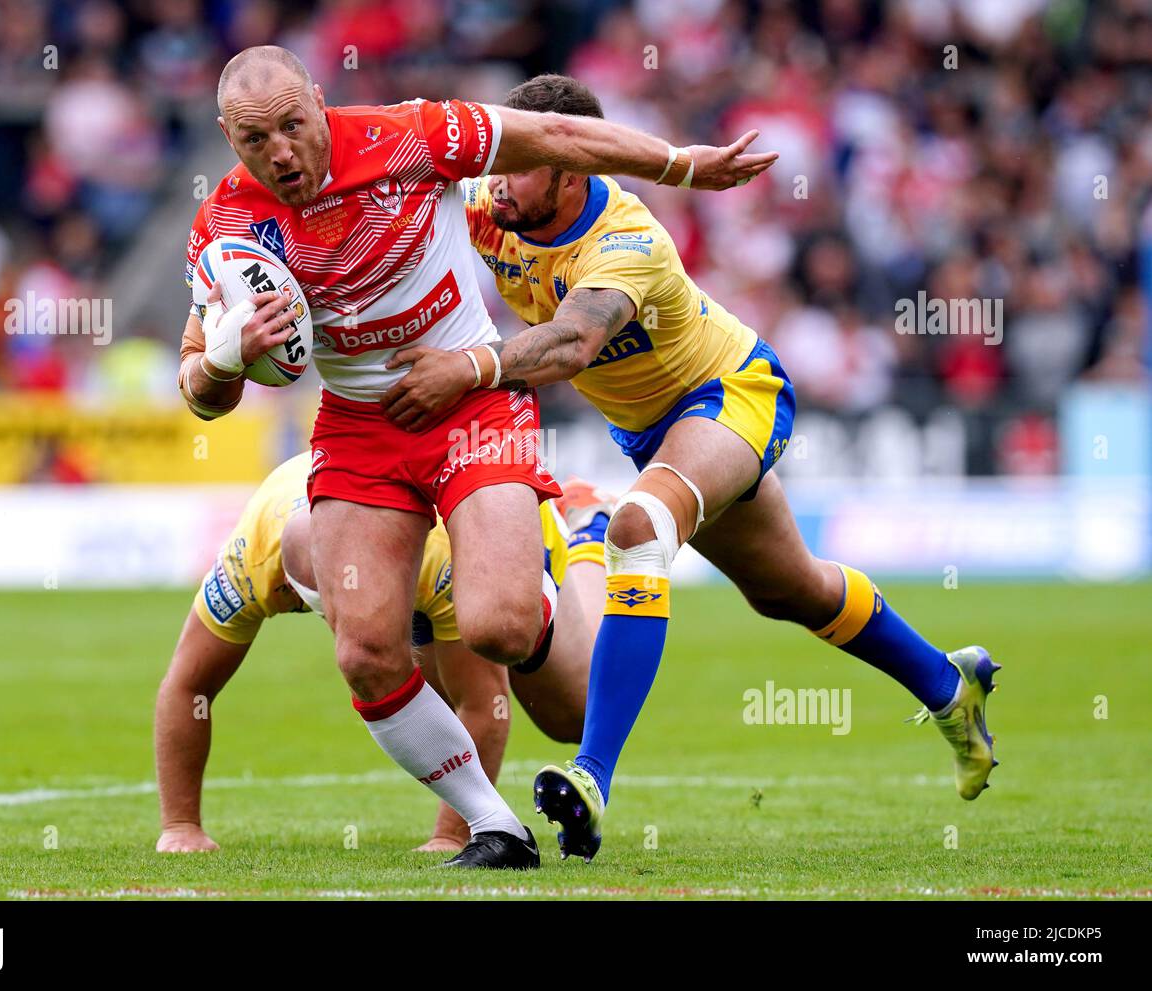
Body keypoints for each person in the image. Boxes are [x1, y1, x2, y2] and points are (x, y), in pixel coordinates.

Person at [177, 48, 776, 868]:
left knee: (500, 627)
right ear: (227, 138)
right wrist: (225, 357)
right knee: (364, 653)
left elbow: (556, 131)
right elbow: (200, 389)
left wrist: (682, 165)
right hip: (358, 428)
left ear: (320, 102)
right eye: (255, 139)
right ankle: (496, 825)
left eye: (293, 124)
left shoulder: (412, 135)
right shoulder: (226, 230)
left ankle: (584, 542)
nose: (281, 151)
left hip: (470, 404)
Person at [380, 75, 999, 863]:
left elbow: (570, 346)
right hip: (653, 433)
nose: (498, 179)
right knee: (791, 591)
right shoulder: (490, 206)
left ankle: (592, 778)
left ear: (573, 170)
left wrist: (465, 368)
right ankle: (951, 687)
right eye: (501, 159)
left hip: (731, 394)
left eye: (522, 162)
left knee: (638, 528)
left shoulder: (624, 241)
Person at [155, 454, 613, 855]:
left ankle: (588, 532)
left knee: (571, 716)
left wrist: (451, 834)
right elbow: (187, 685)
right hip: (387, 562)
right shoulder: (249, 562)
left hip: (480, 542)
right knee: (404, 687)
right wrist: (181, 826)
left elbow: (483, 703)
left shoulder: (436, 555)